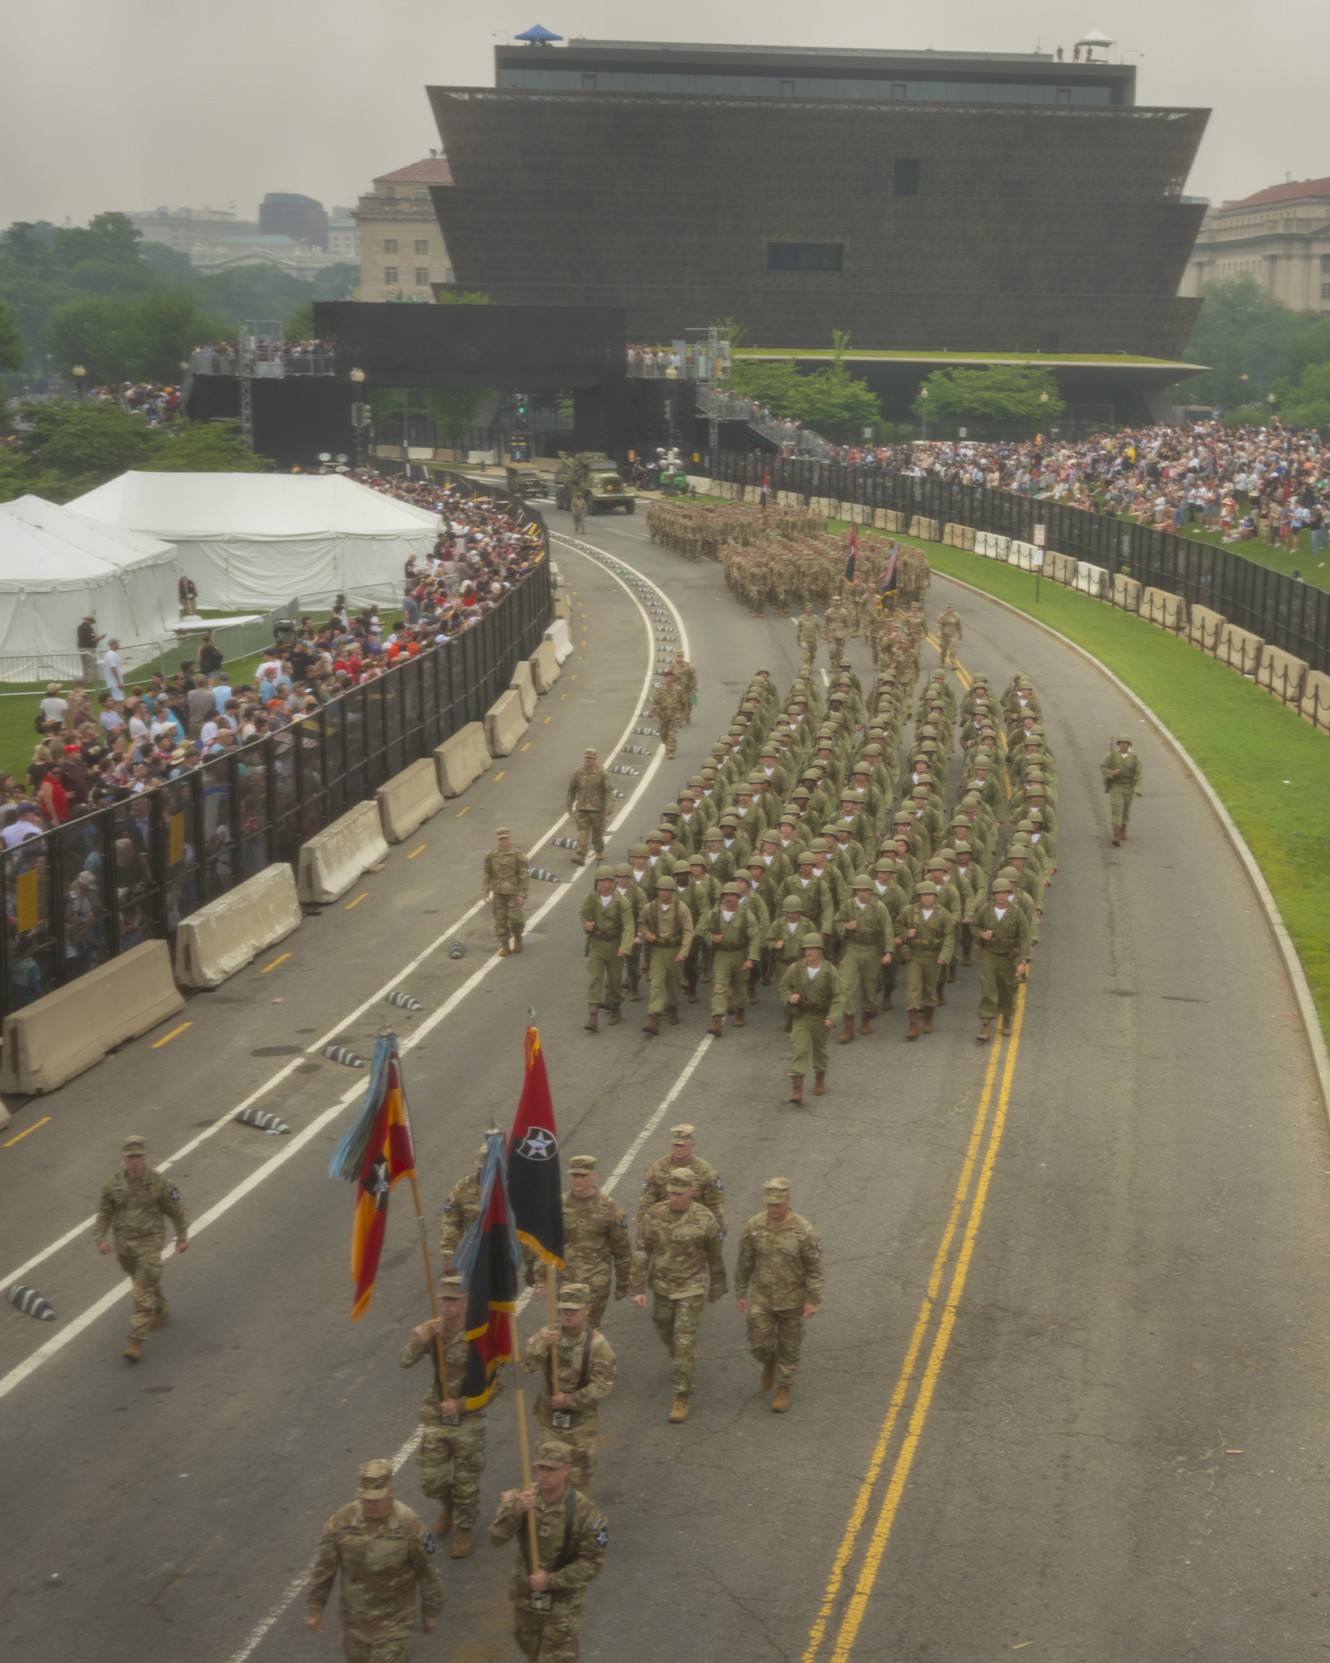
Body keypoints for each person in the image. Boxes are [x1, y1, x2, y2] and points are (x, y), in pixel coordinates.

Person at [399, 1274, 497, 1559]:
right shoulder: (435, 1331)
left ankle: (465, 1528)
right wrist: (423, 1339)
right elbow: (404, 1361)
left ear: (466, 1302)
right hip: (437, 1414)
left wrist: (463, 1405)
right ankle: (448, 1504)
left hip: (468, 1418)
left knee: (466, 1480)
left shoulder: (480, 1334)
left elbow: (495, 1385)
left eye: (454, 1300)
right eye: (444, 1300)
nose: (448, 1306)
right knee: (432, 1480)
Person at [305, 1459, 443, 1656]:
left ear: (391, 1491)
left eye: (376, 1499)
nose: (370, 1505)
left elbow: (428, 1572)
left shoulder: (410, 1525)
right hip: (354, 1622)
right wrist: (314, 1608)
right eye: (365, 1499)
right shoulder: (343, 1519)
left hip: (394, 1622)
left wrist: (431, 1612)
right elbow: (325, 1566)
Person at [489, 1438, 607, 1663]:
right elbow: (495, 1538)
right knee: (530, 1648)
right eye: (540, 1468)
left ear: (566, 1470)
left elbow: (592, 1563)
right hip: (526, 1595)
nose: (544, 1474)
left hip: (562, 1599)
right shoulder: (521, 1499)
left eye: (550, 1469)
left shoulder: (586, 1513)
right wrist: (517, 1511)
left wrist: (550, 1580)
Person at [630, 1168, 728, 1422]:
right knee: (664, 1328)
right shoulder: (654, 1214)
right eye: (672, 1192)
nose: (675, 1198)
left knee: (684, 1340)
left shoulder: (704, 1218)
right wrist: (638, 1287)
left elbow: (714, 1255)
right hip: (662, 1284)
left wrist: (718, 1285)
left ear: (691, 1192)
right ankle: (681, 1360)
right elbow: (643, 1250)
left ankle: (682, 1395)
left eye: (680, 1193)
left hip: (691, 1286)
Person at [93, 1134, 189, 1363]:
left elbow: (177, 1211)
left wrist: (182, 1237)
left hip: (150, 1243)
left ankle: (135, 1341)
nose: (134, 1161)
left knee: (140, 1292)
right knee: (140, 1280)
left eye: (138, 1156)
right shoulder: (113, 1185)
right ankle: (160, 1308)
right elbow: (104, 1213)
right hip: (124, 1247)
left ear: (144, 1156)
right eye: (130, 1156)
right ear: (123, 1158)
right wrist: (100, 1239)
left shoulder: (159, 1183)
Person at [735, 1177, 823, 1414]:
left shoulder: (803, 1231)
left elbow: (814, 1269)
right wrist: (741, 1292)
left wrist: (813, 1300)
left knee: (790, 1346)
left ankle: (784, 1387)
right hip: (762, 1297)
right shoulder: (754, 1227)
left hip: (793, 1299)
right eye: (769, 1204)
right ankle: (768, 1361)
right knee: (759, 1341)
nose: (773, 1209)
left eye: (777, 1204)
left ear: (788, 1201)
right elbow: (744, 1263)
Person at [521, 1283, 617, 1493]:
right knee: (548, 1477)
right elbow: (526, 1365)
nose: (568, 1315)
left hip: (580, 1423)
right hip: (549, 1419)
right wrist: (542, 1346)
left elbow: (603, 1385)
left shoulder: (598, 1345)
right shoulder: (548, 1335)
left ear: (587, 1310)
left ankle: (576, 1521)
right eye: (565, 1309)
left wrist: (569, 1400)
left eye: (574, 1310)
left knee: (577, 1480)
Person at [779, 932, 844, 1103]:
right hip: (802, 1016)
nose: (809, 953)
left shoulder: (830, 971)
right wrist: (789, 997)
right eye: (807, 949)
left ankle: (819, 1079)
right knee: (800, 1050)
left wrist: (833, 1017)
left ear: (820, 951)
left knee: (820, 1050)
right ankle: (797, 1090)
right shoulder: (796, 968)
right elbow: (783, 986)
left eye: (813, 949)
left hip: (822, 1017)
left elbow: (839, 996)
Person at [637, 1124, 727, 1239]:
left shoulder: (706, 1172)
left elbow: (716, 1207)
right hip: (664, 1230)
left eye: (682, 1145)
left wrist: (717, 1237)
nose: (678, 1149)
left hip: (694, 1232)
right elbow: (645, 1204)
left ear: (692, 1145)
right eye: (675, 1145)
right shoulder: (657, 1168)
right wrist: (642, 1236)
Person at [973, 868, 1031, 1043]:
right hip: (990, 954)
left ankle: (1006, 1018)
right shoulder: (985, 911)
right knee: (988, 988)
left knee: (1006, 989)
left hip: (1008, 955)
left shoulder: (1017, 913)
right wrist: (982, 935)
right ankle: (985, 1022)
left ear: (1009, 893)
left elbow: (1024, 937)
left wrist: (1022, 961)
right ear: (993, 895)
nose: (1001, 896)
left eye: (1004, 893)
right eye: (997, 893)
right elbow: (974, 926)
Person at [578, 865, 635, 1032]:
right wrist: (586, 924)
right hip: (596, 943)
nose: (602, 885)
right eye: (600, 881)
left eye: (605, 881)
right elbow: (583, 912)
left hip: (614, 944)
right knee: (595, 978)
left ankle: (616, 1007)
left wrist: (625, 947)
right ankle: (593, 1017)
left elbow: (628, 926)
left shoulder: (621, 902)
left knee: (615, 980)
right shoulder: (591, 898)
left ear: (612, 882)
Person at [637, 873, 694, 1034]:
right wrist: (647, 935)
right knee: (656, 983)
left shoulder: (681, 908)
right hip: (658, 950)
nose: (664, 893)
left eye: (667, 890)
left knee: (674, 982)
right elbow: (642, 923)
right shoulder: (651, 907)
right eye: (661, 890)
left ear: (673, 891)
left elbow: (689, 931)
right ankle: (654, 1017)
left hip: (675, 949)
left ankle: (673, 1007)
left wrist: (683, 952)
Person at [482, 824, 529, 956]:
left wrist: (522, 894)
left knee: (516, 919)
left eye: (506, 838)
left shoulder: (518, 854)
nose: (503, 841)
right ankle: (505, 945)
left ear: (510, 838)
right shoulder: (491, 855)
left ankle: (518, 938)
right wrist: (485, 891)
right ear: (498, 840)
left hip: (513, 893)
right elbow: (487, 872)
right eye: (501, 839)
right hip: (498, 894)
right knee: (500, 921)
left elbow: (523, 875)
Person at [438, 1144, 488, 1267]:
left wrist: (533, 1268)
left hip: (503, 1257)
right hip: (474, 1256)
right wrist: (449, 1255)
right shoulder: (462, 1188)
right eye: (484, 1169)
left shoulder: (509, 1189)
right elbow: (451, 1222)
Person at [565, 747, 609, 867]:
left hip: (597, 809)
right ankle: (581, 854)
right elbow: (571, 790)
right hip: (582, 808)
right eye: (586, 758)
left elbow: (608, 791)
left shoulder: (602, 773)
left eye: (590, 758)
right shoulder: (578, 773)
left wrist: (609, 806)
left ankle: (599, 850)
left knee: (597, 832)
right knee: (582, 832)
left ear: (595, 759)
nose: (588, 760)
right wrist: (569, 805)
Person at [1101, 732, 1144, 845]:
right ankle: (1116, 834)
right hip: (1116, 785)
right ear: (1118, 744)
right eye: (1121, 743)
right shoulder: (1112, 755)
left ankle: (1123, 829)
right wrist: (1112, 773)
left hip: (1128, 786)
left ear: (1129, 745)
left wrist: (1139, 788)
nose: (1123, 745)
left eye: (1126, 743)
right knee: (1117, 809)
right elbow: (1102, 767)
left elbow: (1139, 773)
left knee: (1125, 810)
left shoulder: (1134, 757)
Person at [649, 668, 685, 760]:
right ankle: (667, 744)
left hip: (675, 716)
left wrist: (684, 713)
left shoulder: (678, 689)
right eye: (667, 677)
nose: (669, 679)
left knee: (672, 734)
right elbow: (655, 703)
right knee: (663, 734)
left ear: (673, 678)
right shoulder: (660, 690)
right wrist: (654, 714)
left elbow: (682, 702)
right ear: (664, 678)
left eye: (671, 677)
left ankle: (670, 751)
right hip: (663, 716)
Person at [76, 613, 103, 685]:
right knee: (90, 665)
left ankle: (85, 679)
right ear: (90, 620)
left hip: (81, 648)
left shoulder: (79, 627)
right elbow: (93, 639)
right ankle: (90, 680)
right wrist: (100, 638)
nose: (92, 623)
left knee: (84, 665)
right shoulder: (89, 628)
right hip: (89, 648)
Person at [936, 603, 962, 668]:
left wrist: (960, 633)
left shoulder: (956, 616)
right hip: (944, 635)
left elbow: (958, 625)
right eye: (948, 608)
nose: (949, 609)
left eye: (950, 608)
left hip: (953, 635)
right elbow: (939, 624)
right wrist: (939, 632)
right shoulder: (942, 616)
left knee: (952, 650)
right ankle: (942, 662)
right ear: (946, 608)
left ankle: (953, 664)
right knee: (943, 650)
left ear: (952, 608)